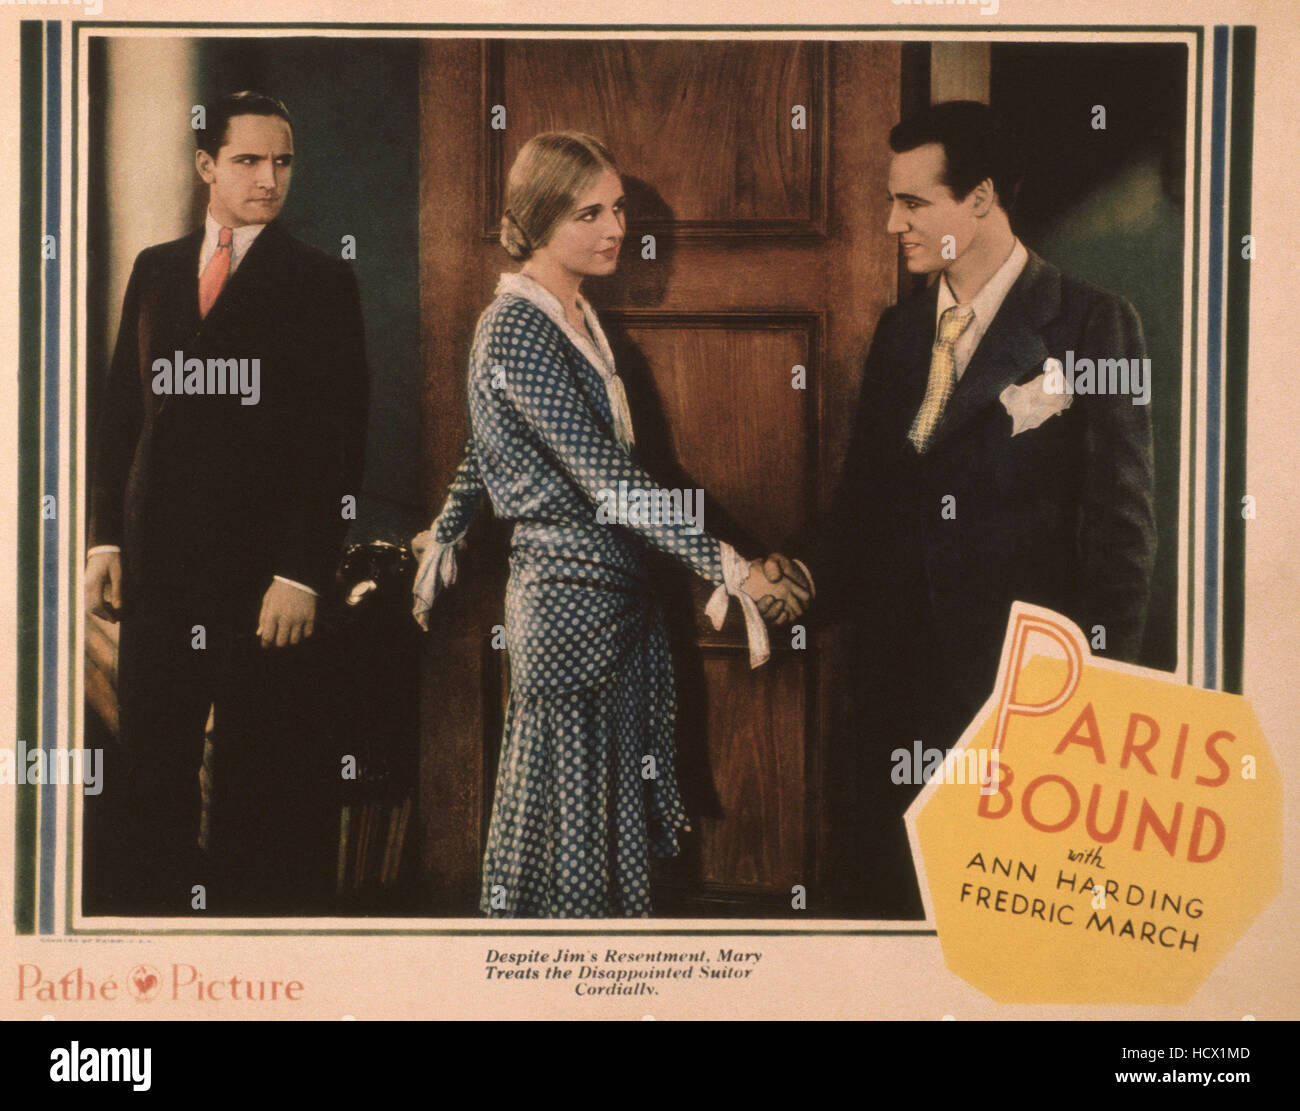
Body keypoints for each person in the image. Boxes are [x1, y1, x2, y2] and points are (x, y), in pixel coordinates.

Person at [411, 131, 810, 918]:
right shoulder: (516, 326)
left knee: (603, 819)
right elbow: (605, 476)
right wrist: (729, 566)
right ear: (535, 219)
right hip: (564, 607)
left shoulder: (574, 316)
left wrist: (448, 525)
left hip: (615, 600)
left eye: (619, 207)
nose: (614, 228)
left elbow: (481, 447)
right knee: (567, 825)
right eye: (588, 212)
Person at [786, 100, 1157, 917]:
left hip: (1020, 708)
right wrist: (799, 571)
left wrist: (1094, 708)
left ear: (982, 198)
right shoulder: (898, 333)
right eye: (893, 201)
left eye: (913, 202)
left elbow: (1122, 541)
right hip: (890, 701)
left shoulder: (1094, 326)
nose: (891, 223)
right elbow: (865, 508)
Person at [84, 91, 369, 915]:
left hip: (262, 575)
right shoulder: (155, 268)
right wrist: (105, 542)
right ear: (206, 165)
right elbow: (121, 416)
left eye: (282, 161)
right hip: (156, 565)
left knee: (259, 779)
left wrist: (304, 573)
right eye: (248, 161)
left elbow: (338, 446)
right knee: (152, 772)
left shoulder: (320, 281)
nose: (269, 179)